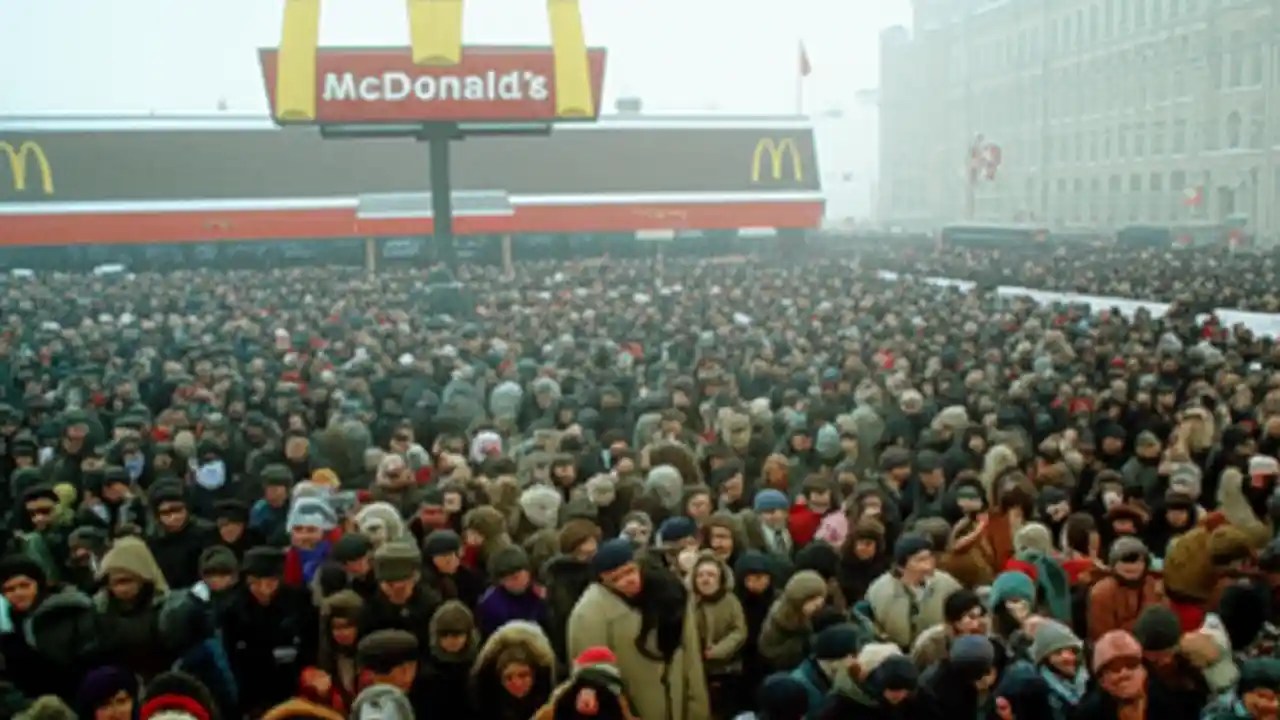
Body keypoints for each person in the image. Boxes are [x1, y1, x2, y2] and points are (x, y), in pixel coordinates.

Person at [567, 538, 710, 720]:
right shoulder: (590, 613)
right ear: (603, 581)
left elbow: (691, 658)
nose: (627, 581)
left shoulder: (670, 592)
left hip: (678, 702)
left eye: (630, 571)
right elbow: (593, 679)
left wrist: (698, 709)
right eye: (616, 578)